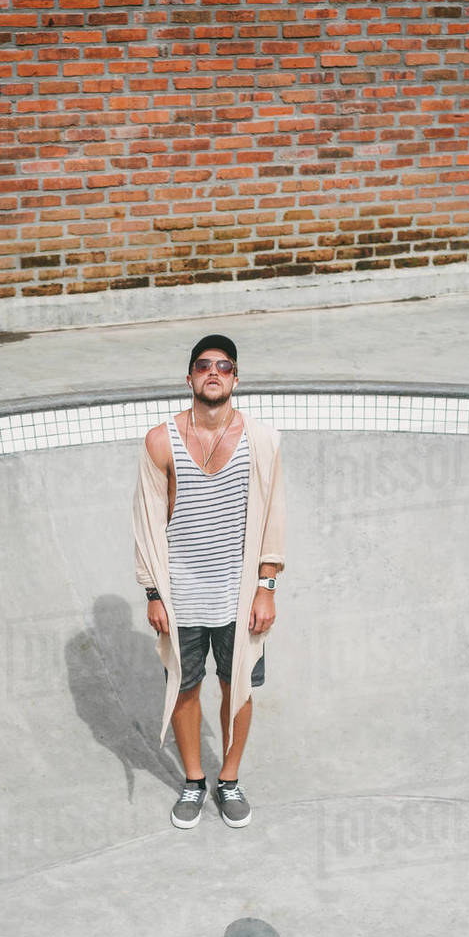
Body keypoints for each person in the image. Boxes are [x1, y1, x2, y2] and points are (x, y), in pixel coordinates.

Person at [132, 333, 285, 829]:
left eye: (223, 366)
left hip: (238, 595)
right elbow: (146, 522)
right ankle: (195, 780)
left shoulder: (262, 441)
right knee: (185, 687)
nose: (213, 372)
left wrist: (266, 586)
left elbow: (273, 517)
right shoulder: (161, 441)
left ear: (236, 379)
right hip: (180, 595)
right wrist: (153, 592)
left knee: (238, 687)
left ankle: (230, 779)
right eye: (203, 365)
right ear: (189, 378)